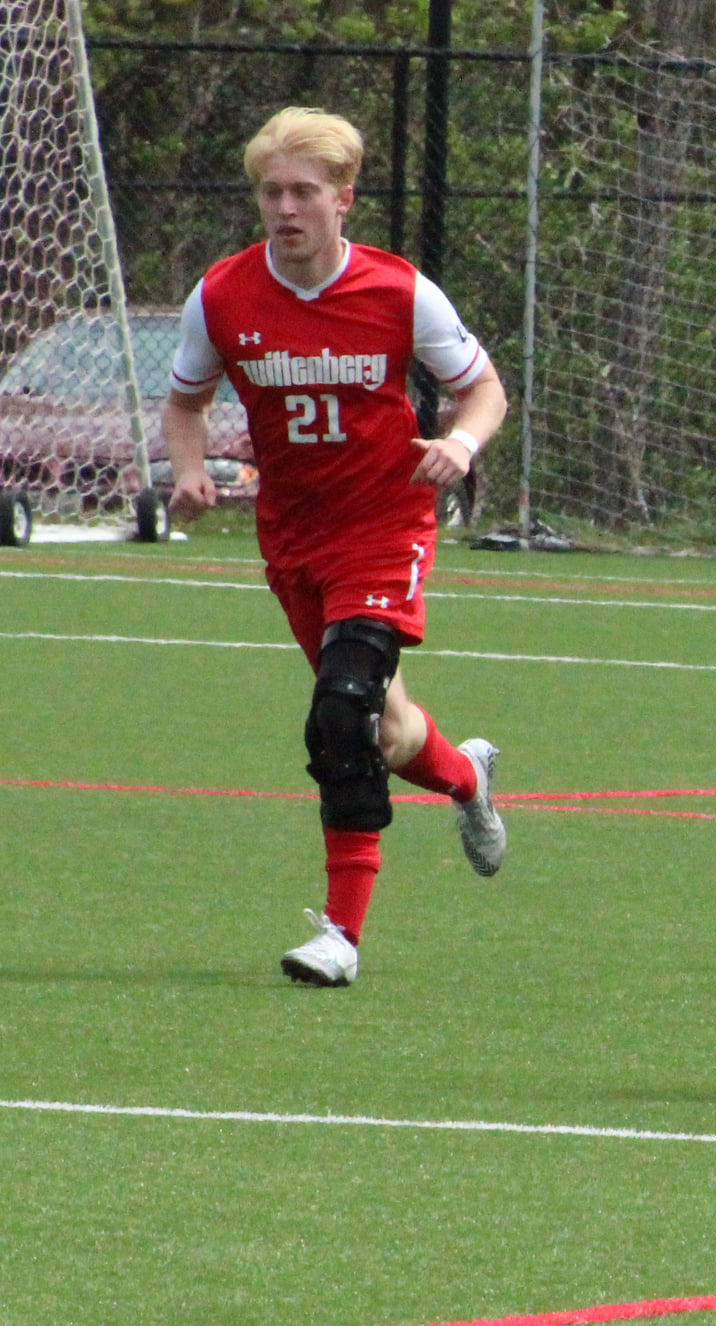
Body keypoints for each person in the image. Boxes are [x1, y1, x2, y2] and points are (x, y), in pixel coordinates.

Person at [163, 107, 509, 987]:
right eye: (271, 191)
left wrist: (459, 447)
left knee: (339, 713)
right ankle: (466, 779)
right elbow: (186, 402)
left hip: (384, 528)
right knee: (386, 729)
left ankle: (340, 937)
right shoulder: (223, 296)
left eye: (303, 192)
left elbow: (484, 392)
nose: (285, 208)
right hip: (293, 539)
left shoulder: (401, 292)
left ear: (342, 199)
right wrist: (191, 471)